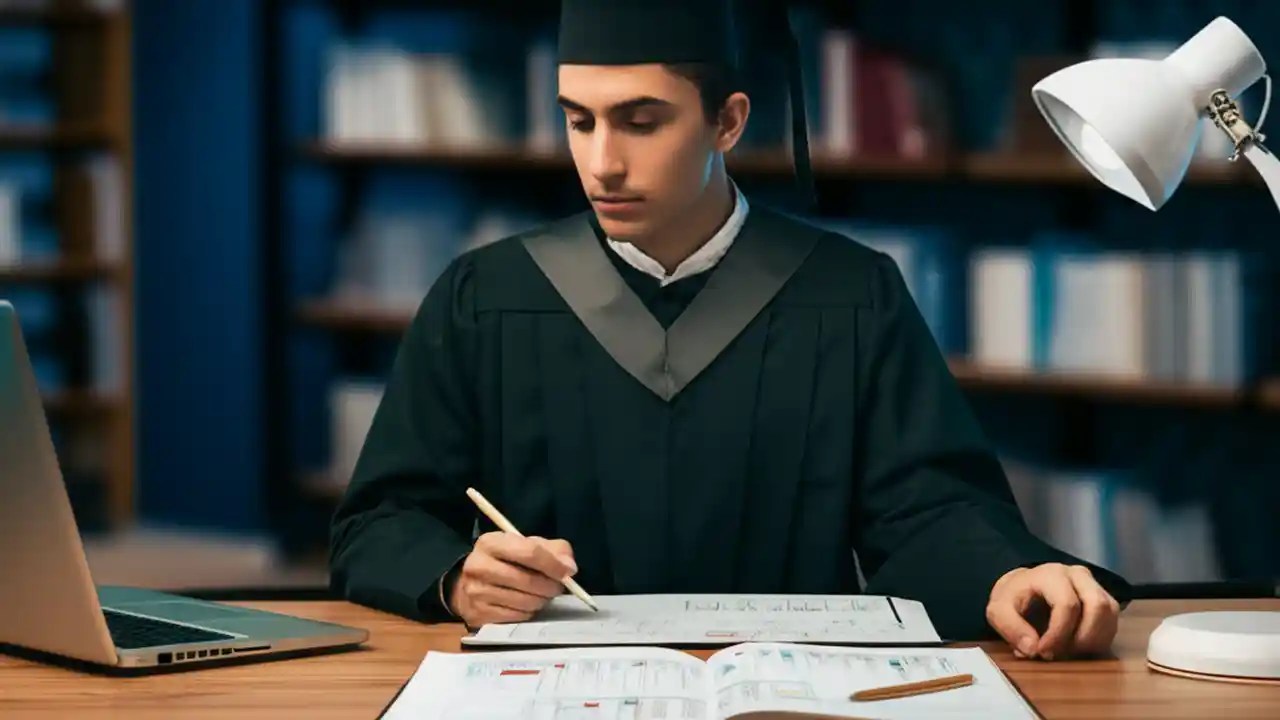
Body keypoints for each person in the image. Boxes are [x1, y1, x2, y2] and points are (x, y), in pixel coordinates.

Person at [330, 0, 1131, 661]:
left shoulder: (849, 295)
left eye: (641, 122)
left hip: (789, 694)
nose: (601, 162)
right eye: (579, 121)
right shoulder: (485, 298)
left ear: (728, 122)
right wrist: (456, 576)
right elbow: (381, 522)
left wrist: (1001, 576)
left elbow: (927, 509)